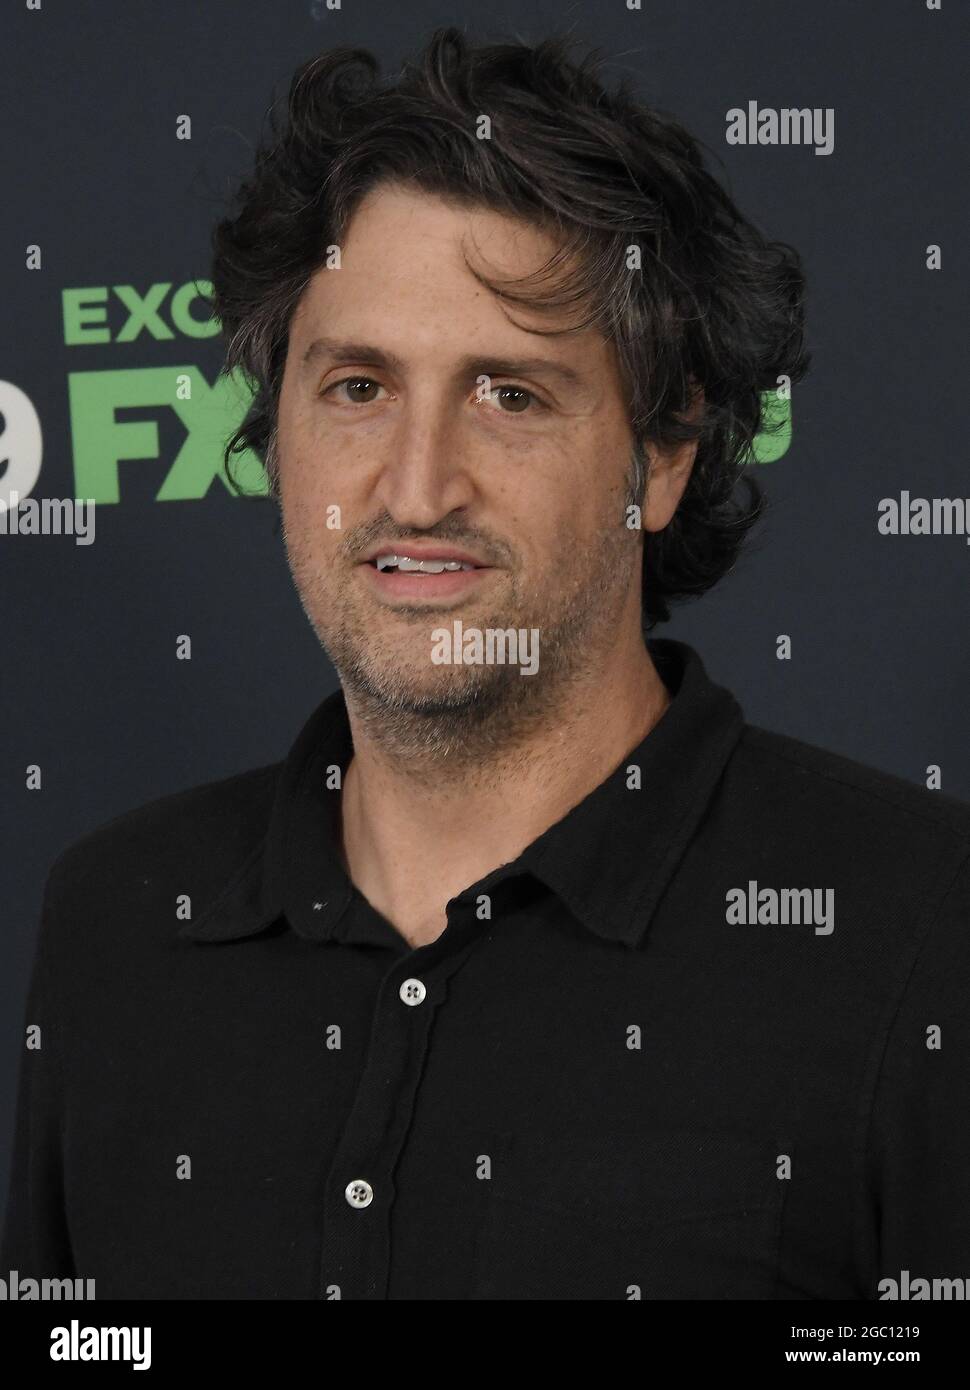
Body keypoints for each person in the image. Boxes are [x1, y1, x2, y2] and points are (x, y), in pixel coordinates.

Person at [4, 27, 969, 1301]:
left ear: (665, 450)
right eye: (356, 386)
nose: (414, 487)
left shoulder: (920, 927)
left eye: (509, 394)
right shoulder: (118, 921)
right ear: (273, 427)